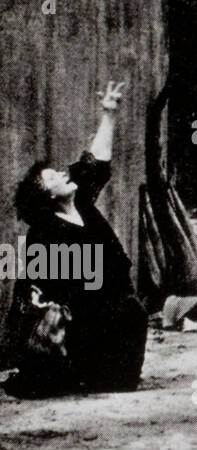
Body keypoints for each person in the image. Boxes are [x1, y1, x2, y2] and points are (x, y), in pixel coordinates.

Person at [5, 81, 148, 398]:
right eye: (51, 178)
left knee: (130, 317)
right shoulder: (45, 231)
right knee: (118, 322)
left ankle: (110, 374)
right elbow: (38, 292)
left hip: (117, 305)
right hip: (82, 317)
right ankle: (82, 372)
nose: (61, 173)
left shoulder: (80, 202)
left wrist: (108, 115)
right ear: (45, 197)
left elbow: (94, 164)